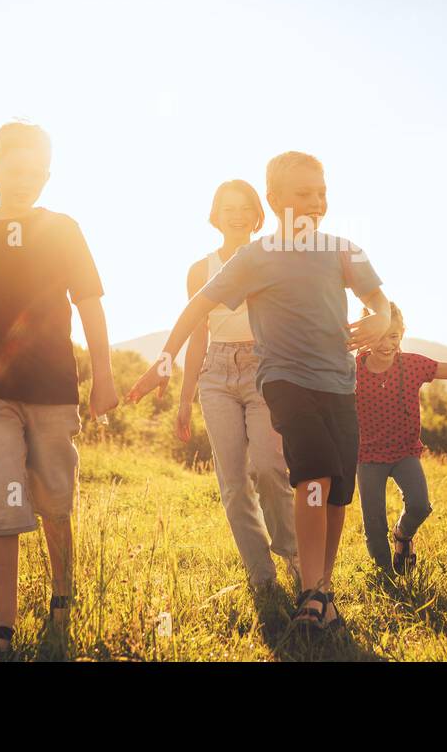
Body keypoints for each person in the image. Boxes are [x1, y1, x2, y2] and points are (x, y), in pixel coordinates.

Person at [128, 151, 392, 631]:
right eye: (302, 194)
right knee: (312, 475)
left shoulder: (342, 249)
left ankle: (322, 590)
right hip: (284, 379)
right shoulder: (256, 256)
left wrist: (381, 317)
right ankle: (309, 591)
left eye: (321, 193)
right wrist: (165, 363)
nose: (315, 202)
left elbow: (380, 300)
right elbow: (197, 308)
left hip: (338, 380)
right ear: (273, 200)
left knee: (336, 493)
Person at [0, 120, 119, 658]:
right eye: (14, 169)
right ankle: (3, 624)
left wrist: (104, 375)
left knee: (53, 496)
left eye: (36, 172)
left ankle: (62, 592)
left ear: (48, 176)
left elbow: (90, 302)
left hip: (52, 386)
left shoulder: (64, 229)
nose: (25, 180)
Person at [176, 179, 300, 592]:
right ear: (215, 214)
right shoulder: (200, 269)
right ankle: (261, 574)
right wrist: (184, 397)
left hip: (263, 367)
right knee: (232, 482)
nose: (235, 213)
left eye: (244, 206)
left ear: (256, 213)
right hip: (216, 374)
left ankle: (294, 554)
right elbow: (198, 335)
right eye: (226, 206)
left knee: (269, 468)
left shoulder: (271, 257)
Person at [355, 302, 447, 573]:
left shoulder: (413, 365)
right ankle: (386, 575)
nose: (387, 344)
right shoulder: (351, 369)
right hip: (367, 456)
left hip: (404, 453)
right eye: (378, 336)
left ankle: (402, 536)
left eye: (393, 335)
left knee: (419, 505)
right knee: (374, 523)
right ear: (366, 338)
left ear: (401, 334)